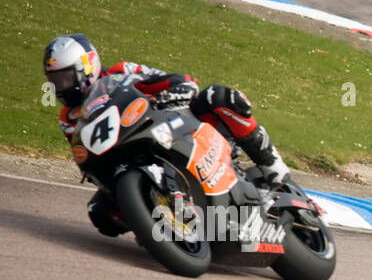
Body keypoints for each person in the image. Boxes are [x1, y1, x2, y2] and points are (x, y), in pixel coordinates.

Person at [42, 33, 291, 237]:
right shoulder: (68, 118)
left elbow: (170, 80)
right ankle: (158, 221)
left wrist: (176, 89)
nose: (61, 86)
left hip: (169, 125)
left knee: (221, 97)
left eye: (65, 77)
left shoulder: (123, 72)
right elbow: (86, 155)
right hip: (124, 156)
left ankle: (273, 168)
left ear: (86, 66)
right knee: (101, 215)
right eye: (55, 81)